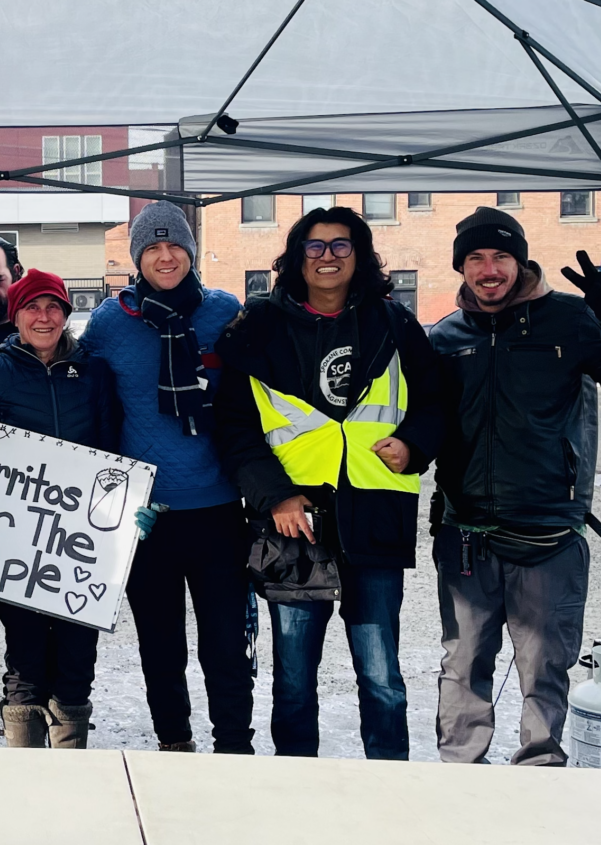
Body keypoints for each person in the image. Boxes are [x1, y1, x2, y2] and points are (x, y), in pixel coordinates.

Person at [430, 207, 601, 766]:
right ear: (461, 267)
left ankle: (541, 776)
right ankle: (461, 776)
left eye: (501, 256)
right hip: (465, 534)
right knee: (461, 668)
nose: (489, 269)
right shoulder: (444, 336)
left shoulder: (571, 320)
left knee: (544, 670)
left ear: (520, 261)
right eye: (476, 258)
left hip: (547, 533)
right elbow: (422, 422)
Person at [216, 207, 444, 760]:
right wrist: (275, 496)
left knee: (382, 677)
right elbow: (234, 426)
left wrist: (414, 444)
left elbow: (438, 398)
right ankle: (296, 787)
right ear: (296, 257)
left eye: (341, 246)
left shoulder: (394, 322)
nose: (327, 257)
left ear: (360, 255)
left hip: (375, 520)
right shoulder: (260, 328)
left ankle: (389, 785)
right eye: (314, 246)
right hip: (296, 526)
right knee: (294, 679)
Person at [80, 200, 253, 753]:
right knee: (161, 646)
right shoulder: (111, 320)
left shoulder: (225, 312)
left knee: (226, 644)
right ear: (136, 259)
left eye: (174, 245)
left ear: (191, 251)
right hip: (145, 518)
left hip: (219, 509)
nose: (164, 256)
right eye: (151, 248)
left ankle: (233, 744)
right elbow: (66, 369)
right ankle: (174, 744)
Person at [0, 269, 120, 749]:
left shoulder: (94, 369)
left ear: (66, 314)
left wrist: (127, 506)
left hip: (82, 540)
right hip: (19, 538)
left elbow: (113, 446)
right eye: (33, 306)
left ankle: (70, 755)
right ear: (16, 316)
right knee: (27, 655)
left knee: (78, 655)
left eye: (53, 306)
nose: (44, 316)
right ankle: (25, 763)